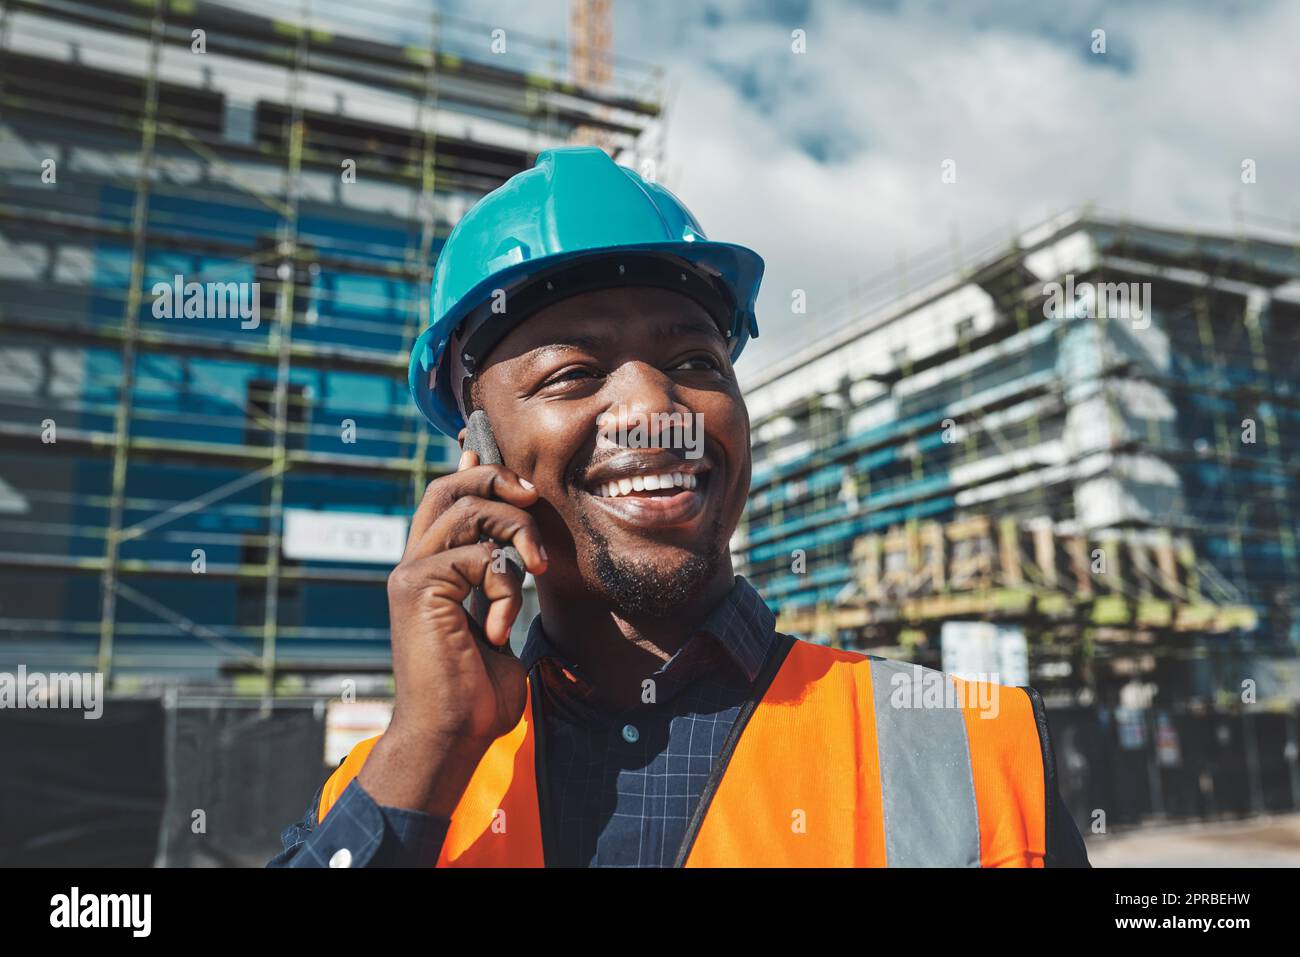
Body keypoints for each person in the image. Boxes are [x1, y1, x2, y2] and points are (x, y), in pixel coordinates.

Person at [268, 146, 1089, 868]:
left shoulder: (977, 753)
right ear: (479, 460)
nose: (655, 411)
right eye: (572, 374)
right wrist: (428, 747)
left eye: (695, 360)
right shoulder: (395, 783)